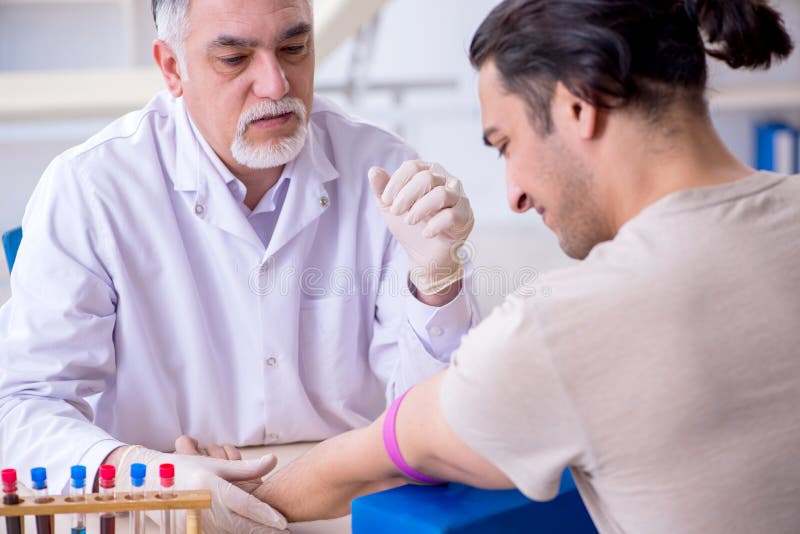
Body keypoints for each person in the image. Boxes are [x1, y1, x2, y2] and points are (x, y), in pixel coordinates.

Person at [251, 1, 800, 532]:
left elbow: (373, 459)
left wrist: (208, 498)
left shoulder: (567, 327)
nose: (513, 195)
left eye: (506, 143)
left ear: (579, 107)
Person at [0, 0, 478, 531]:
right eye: (234, 58)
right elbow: (20, 407)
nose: (276, 85)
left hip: (355, 504)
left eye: (294, 48)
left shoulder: (384, 170)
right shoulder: (90, 190)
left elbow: (440, 422)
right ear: (172, 68)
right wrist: (141, 473)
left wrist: (437, 284)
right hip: (163, 512)